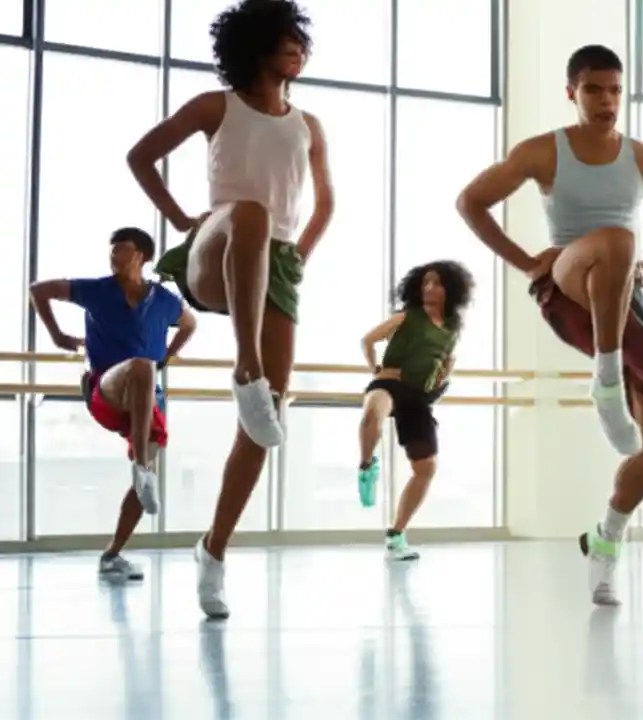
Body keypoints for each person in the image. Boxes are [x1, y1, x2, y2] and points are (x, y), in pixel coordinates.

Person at [456, 44, 643, 605]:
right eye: (593, 90)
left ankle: (604, 542)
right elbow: (471, 202)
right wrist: (524, 260)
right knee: (618, 239)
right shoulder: (544, 151)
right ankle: (605, 379)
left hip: (622, 295)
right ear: (572, 93)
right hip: (564, 277)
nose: (606, 101)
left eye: (614, 90)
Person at [126, 0, 334, 619]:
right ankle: (246, 368)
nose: (297, 49)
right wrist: (177, 218)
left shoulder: (309, 125)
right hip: (213, 251)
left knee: (265, 423)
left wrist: (298, 257)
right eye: (285, 40)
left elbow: (325, 204)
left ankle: (213, 551)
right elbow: (141, 156)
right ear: (254, 46)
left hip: (273, 264)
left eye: (302, 41)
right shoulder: (217, 105)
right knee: (250, 214)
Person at [29, 227, 197, 580]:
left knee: (145, 481)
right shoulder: (95, 290)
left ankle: (112, 555)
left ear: (142, 256)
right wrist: (58, 336)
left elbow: (190, 322)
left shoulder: (164, 300)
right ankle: (140, 464)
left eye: (121, 249)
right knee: (140, 366)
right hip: (106, 387)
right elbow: (39, 291)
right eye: (112, 250)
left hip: (147, 398)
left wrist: (168, 355)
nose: (113, 255)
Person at [356, 261, 474, 561]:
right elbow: (368, 340)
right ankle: (367, 466)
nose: (429, 288)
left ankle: (396, 535)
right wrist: (377, 370)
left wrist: (444, 375)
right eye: (425, 283)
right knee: (373, 414)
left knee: (426, 469)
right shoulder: (408, 316)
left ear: (451, 290)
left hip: (418, 398)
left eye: (436, 283)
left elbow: (445, 361)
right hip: (389, 383)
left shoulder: (451, 329)